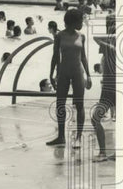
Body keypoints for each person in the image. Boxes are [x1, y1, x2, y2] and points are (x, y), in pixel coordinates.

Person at [47, 9, 92, 147]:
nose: (82, 23)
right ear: (73, 21)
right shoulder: (59, 36)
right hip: (63, 72)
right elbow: (55, 56)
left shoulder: (81, 36)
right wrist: (51, 73)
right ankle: (61, 136)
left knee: (79, 104)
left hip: (78, 72)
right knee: (60, 104)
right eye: (80, 21)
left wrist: (89, 75)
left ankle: (78, 137)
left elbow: (83, 56)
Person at [91, 29, 116, 161]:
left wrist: (110, 36)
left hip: (110, 91)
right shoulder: (111, 52)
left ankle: (102, 153)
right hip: (111, 90)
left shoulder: (110, 49)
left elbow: (95, 37)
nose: (98, 46)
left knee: (95, 119)